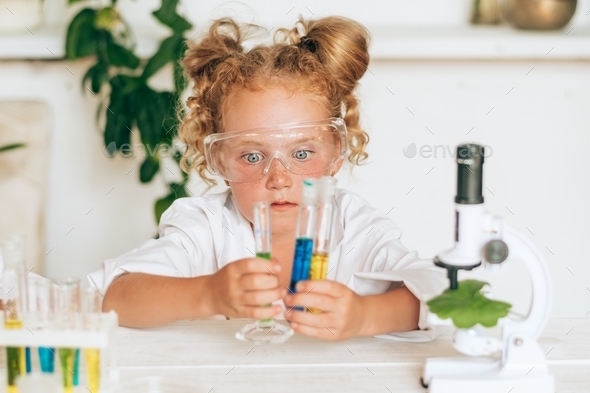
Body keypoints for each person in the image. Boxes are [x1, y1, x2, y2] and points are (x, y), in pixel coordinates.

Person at [89, 15, 447, 341]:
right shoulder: (206, 228)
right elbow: (113, 296)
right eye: (252, 156)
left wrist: (367, 316)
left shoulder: (353, 226)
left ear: (337, 151)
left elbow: (443, 292)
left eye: (302, 154)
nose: (278, 178)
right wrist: (207, 294)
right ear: (219, 160)